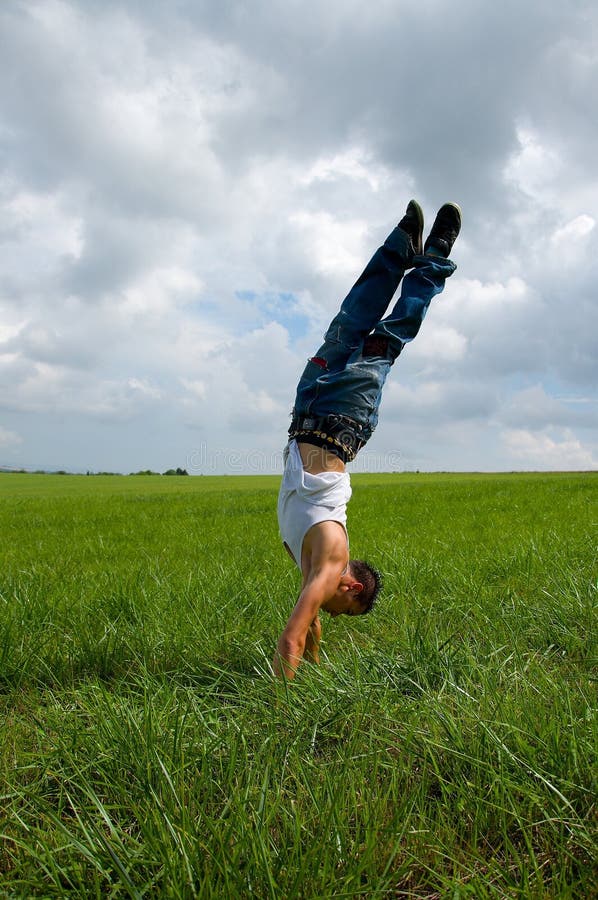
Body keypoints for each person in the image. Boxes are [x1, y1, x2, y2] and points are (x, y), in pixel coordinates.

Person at [274, 200, 461, 678]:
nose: (325, 612)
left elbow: (308, 623)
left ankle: (399, 246)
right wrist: (281, 710)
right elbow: (295, 633)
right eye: (338, 610)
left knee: (350, 320)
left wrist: (316, 665)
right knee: (388, 335)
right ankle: (434, 257)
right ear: (351, 587)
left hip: (307, 408)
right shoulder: (330, 558)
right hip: (344, 420)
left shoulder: (313, 570)